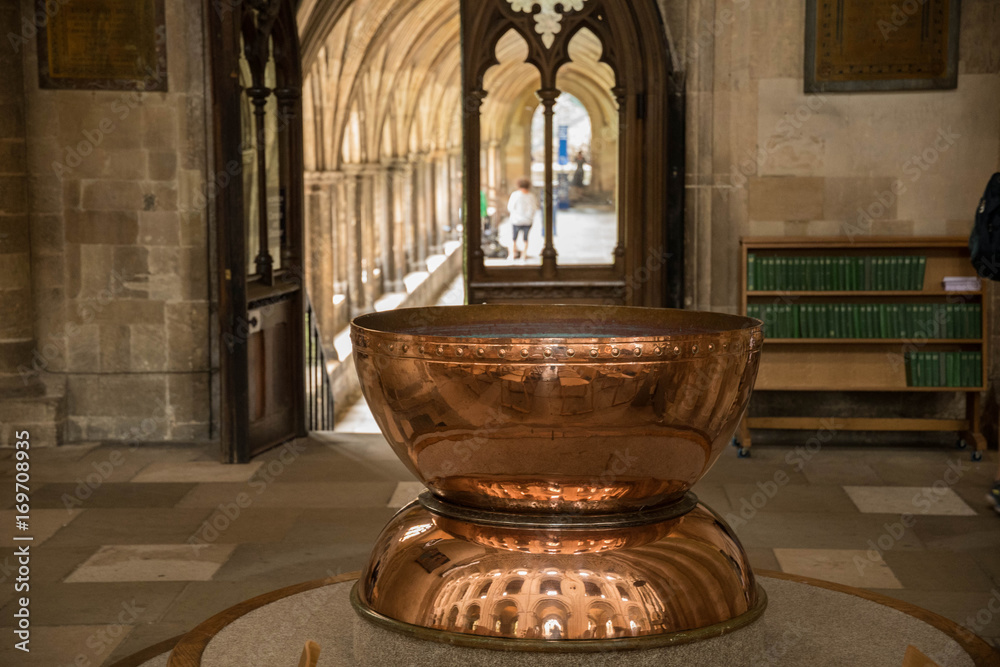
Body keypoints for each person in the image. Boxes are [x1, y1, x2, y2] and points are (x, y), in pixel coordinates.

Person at [507, 178, 539, 260]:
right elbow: (534, 208)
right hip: (527, 220)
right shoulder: (531, 196)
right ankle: (523, 254)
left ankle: (513, 253)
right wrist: (530, 216)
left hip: (516, 220)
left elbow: (510, 207)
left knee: (514, 237)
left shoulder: (515, 195)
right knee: (525, 238)